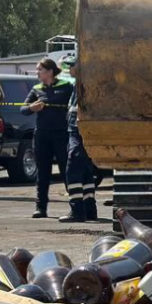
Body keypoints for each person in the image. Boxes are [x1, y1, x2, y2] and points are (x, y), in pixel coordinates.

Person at [21, 57, 74, 218]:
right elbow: (23, 109)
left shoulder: (66, 87)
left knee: (67, 170)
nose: (37, 73)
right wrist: (32, 107)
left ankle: (76, 207)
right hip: (42, 134)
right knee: (43, 172)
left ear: (50, 71)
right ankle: (40, 207)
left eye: (40, 70)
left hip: (62, 134)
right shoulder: (37, 89)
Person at [59, 53, 98, 223]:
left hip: (79, 131)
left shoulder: (83, 84)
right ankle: (90, 209)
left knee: (72, 169)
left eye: (71, 66)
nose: (69, 69)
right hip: (78, 131)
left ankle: (77, 211)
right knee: (86, 171)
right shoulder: (79, 84)